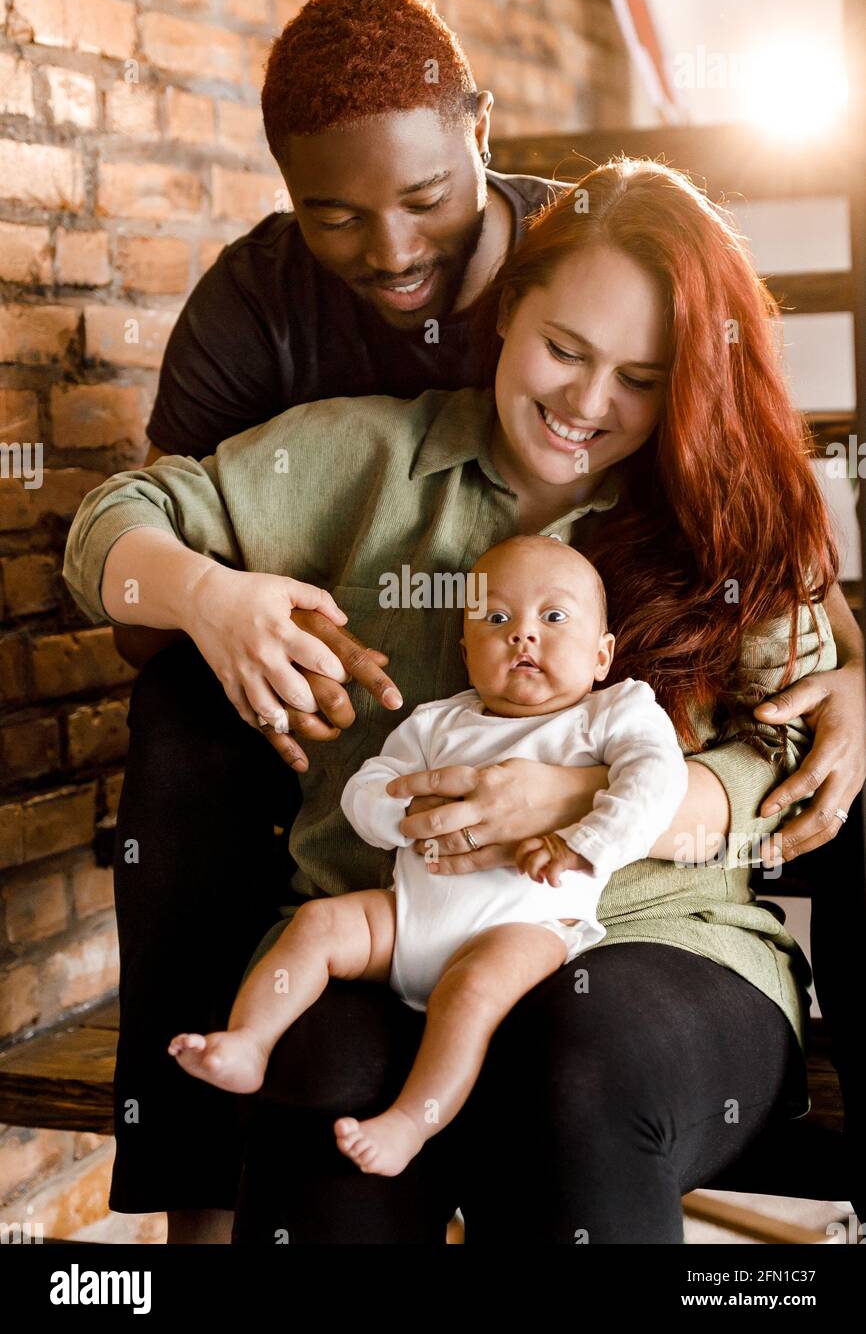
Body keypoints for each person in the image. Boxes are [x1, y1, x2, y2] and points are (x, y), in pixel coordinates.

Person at [64, 157, 861, 1242]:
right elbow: (111, 523)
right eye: (563, 351)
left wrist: (572, 800)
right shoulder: (361, 458)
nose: (586, 403)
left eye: (637, 377)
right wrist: (209, 596)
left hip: (660, 939)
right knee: (318, 1061)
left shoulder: (718, 516)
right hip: (395, 929)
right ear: (505, 315)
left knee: (580, 1051)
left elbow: (793, 758)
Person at [164, 536, 689, 1179]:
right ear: (466, 652)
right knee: (319, 925)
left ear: (602, 654)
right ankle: (248, 1042)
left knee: (471, 992)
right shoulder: (439, 721)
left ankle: (412, 1121)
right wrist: (399, 818)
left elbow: (657, 782)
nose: (523, 636)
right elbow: (367, 787)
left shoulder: (612, 713)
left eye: (554, 618)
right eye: (496, 619)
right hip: (409, 919)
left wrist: (585, 842)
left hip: (523, 928)